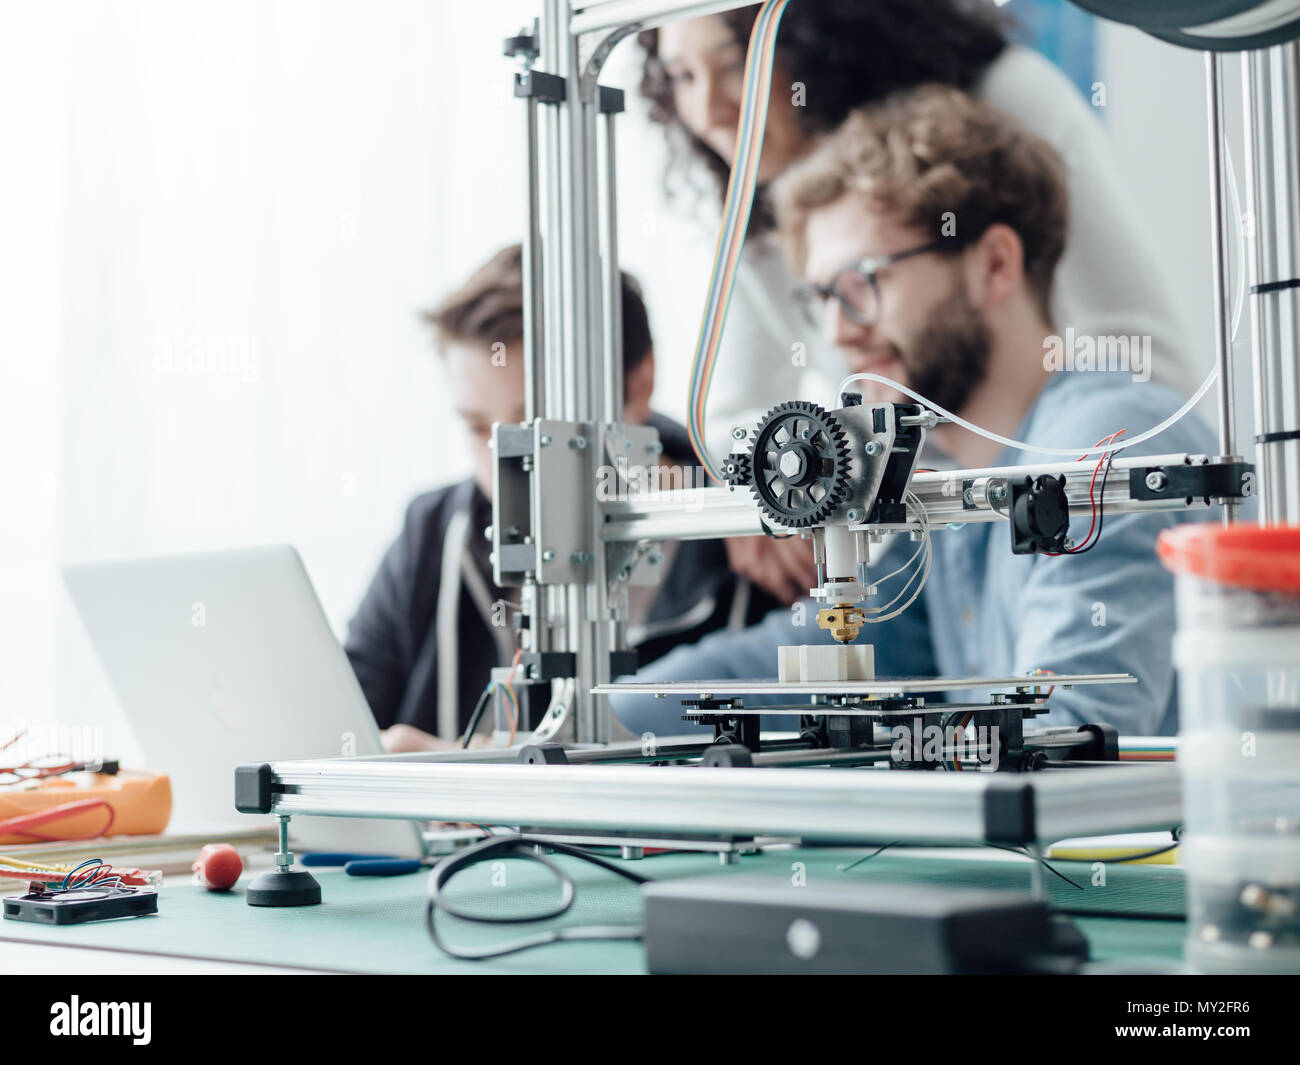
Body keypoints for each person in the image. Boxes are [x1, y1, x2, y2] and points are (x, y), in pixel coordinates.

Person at [611, 86, 1216, 741]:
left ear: (994, 263)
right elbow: (791, 666)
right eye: (822, 299)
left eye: (864, 282)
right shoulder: (956, 493)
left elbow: (1062, 739)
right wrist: (594, 722)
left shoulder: (1101, 447)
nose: (839, 332)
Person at [638, 0, 1201, 606]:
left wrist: (971, 463)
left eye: (733, 66)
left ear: (817, 41)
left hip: (1029, 526)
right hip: (919, 565)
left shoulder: (1008, 101)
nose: (706, 111)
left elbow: (1148, 378)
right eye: (682, 77)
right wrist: (785, 488)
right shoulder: (760, 190)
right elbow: (732, 425)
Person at [346, 244, 779, 752]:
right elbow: (338, 726)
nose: (498, 468)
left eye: (533, 430)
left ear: (638, 385)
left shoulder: (751, 540)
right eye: (477, 427)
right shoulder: (434, 533)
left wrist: (479, 776)